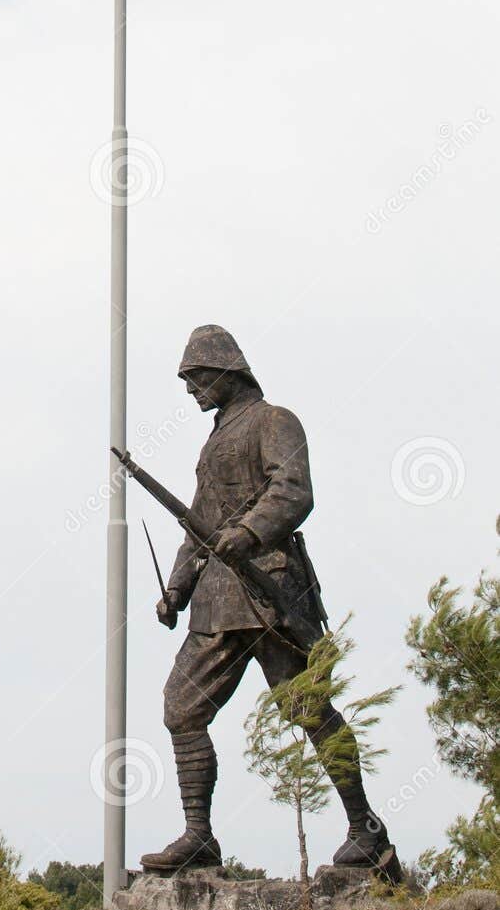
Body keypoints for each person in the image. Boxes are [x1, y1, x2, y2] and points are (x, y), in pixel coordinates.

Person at [137, 324, 394, 875]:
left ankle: (366, 830)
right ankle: (199, 836)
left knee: (307, 708)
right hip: (217, 601)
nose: (190, 389)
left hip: (271, 588)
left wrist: (249, 533)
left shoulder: (275, 420)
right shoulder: (211, 442)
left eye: (197, 377)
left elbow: (293, 490)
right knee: (181, 708)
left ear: (227, 369)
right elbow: (197, 525)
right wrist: (178, 589)